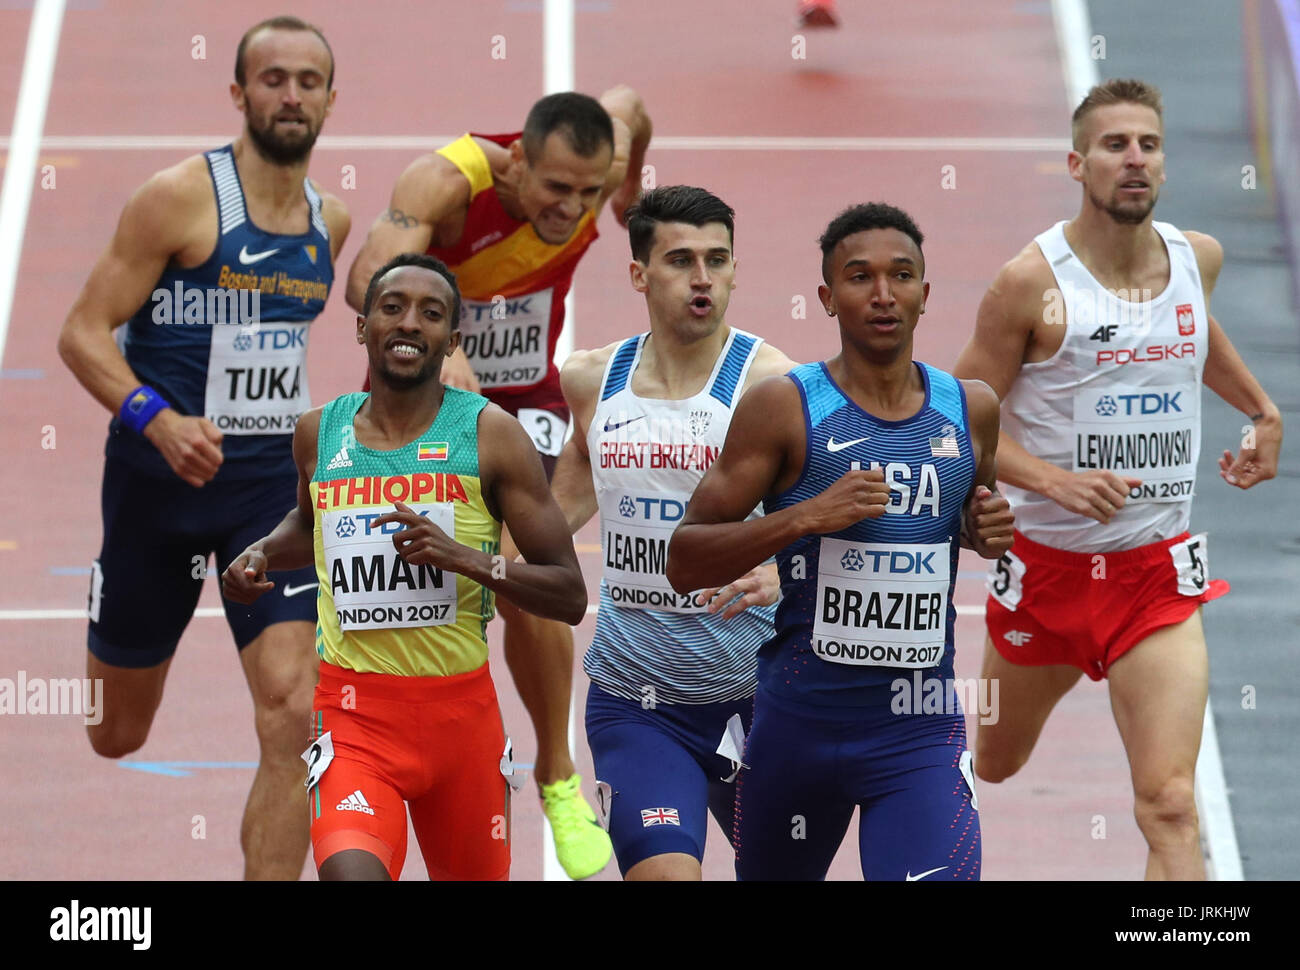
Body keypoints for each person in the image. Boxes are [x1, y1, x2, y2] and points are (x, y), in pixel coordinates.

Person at [951, 78, 1282, 880]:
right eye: (1114, 146)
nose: (1134, 159)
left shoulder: (1194, 258)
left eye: (1148, 145)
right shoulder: (1030, 284)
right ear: (1077, 163)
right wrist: (1053, 481)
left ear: (1163, 165)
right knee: (994, 763)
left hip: (1155, 578)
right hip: (1050, 575)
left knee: (1168, 802)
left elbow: (1193, 332)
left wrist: (1263, 410)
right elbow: (957, 417)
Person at [57, 16, 350, 880]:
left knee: (296, 713)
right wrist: (156, 416)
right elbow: (81, 333)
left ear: (332, 100)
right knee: (117, 733)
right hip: (156, 488)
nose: (290, 94)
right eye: (272, 79)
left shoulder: (328, 222)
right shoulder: (179, 198)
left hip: (268, 496)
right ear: (239, 94)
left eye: (308, 80)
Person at [343, 87, 651, 878]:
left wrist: (631, 195)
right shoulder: (448, 182)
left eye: (590, 192)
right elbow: (363, 282)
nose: (572, 209)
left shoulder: (603, 153)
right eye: (557, 190)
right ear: (518, 163)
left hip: (531, 398)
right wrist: (446, 355)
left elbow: (632, 106)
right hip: (430, 389)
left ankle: (555, 775)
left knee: (525, 565)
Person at [667, 203, 1014, 880]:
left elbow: (969, 523)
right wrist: (803, 517)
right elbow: (684, 560)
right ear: (827, 297)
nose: (883, 295)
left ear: (925, 294)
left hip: (916, 729)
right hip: (799, 731)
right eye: (860, 278)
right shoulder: (785, 408)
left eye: (902, 276)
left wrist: (984, 534)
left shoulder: (971, 409)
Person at [222, 254, 587, 880]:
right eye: (392, 308)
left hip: (460, 724)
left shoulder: (491, 436)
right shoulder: (318, 433)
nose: (410, 323)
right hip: (352, 716)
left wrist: (466, 559)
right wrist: (260, 552)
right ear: (364, 327)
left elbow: (569, 594)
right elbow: (309, 525)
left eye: (431, 313)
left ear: (452, 341)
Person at [541, 185, 796, 879]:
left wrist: (783, 569)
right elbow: (556, 511)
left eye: (718, 259)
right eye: (681, 259)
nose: (703, 277)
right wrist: (466, 559)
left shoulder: (774, 387)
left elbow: (843, 519)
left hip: (762, 701)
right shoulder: (594, 380)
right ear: (639, 274)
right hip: (638, 703)